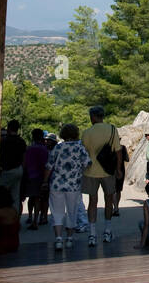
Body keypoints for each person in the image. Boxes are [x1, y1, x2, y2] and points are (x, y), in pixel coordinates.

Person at [80, 106, 121, 245]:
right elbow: (118, 151)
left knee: (92, 202)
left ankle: (92, 234)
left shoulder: (86, 133)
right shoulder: (112, 129)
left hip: (90, 171)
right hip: (108, 171)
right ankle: (107, 231)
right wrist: (118, 169)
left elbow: (83, 153)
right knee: (109, 200)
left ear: (93, 117)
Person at [48, 123, 91, 251]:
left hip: (57, 184)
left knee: (57, 212)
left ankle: (58, 239)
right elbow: (88, 163)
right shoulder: (80, 148)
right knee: (72, 212)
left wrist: (45, 181)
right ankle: (70, 238)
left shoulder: (57, 147)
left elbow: (49, 165)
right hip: (73, 185)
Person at [22, 128, 51, 229]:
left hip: (31, 175)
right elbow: (47, 164)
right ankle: (38, 218)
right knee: (40, 198)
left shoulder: (29, 149)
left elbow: (24, 163)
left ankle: (31, 217)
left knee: (32, 198)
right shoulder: (44, 149)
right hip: (41, 175)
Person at [0, 119, 26, 212]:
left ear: (9, 128)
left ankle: (2, 217)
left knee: (1, 194)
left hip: (7, 170)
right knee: (16, 196)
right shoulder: (22, 141)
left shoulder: (4, 141)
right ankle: (15, 218)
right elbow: (23, 157)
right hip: (18, 169)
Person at [113, 139, 130, 217]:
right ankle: (116, 207)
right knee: (118, 190)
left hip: (110, 170)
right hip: (121, 170)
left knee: (112, 190)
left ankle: (115, 207)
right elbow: (127, 159)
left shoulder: (108, 148)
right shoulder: (122, 148)